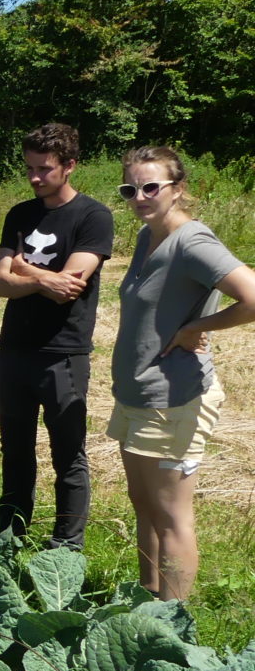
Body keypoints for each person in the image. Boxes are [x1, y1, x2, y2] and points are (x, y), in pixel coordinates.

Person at [107, 146, 255, 601]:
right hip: (137, 392)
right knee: (144, 505)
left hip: (174, 398)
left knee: (171, 516)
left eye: (152, 186)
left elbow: (251, 298)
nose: (141, 196)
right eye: (131, 188)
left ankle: (172, 631)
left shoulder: (192, 242)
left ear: (178, 189)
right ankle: (148, 602)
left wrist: (197, 326)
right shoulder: (146, 236)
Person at [0, 123, 113, 550]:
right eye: (29, 168)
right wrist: (43, 279)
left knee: (68, 456)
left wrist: (25, 270)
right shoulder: (19, 214)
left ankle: (66, 548)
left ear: (70, 166)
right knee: (16, 450)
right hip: (14, 351)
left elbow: (71, 289)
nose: (34, 177)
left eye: (44, 169)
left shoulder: (93, 216)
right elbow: (0, 285)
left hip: (64, 353)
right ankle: (9, 536)